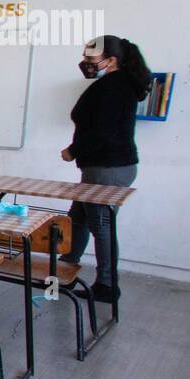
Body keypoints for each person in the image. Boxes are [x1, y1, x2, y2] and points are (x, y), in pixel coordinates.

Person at [59, 35, 151, 303]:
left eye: (90, 58)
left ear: (111, 61)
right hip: (105, 166)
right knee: (78, 218)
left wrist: (72, 151)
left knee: (101, 225)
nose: (85, 63)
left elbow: (104, 132)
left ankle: (107, 285)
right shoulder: (116, 84)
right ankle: (66, 270)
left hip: (107, 168)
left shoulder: (114, 86)